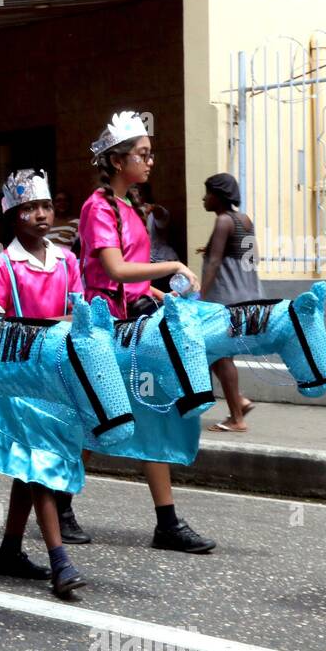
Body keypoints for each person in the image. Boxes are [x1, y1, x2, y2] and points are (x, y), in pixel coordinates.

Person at [75, 111, 215, 554]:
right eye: (143, 154)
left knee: (149, 410)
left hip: (132, 322)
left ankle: (167, 521)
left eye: (149, 155)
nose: (150, 162)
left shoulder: (130, 207)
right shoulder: (98, 207)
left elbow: (130, 279)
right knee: (99, 418)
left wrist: (156, 292)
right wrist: (172, 266)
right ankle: (58, 503)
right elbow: (113, 268)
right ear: (118, 161)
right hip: (105, 326)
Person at [0, 169, 87, 598]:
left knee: (30, 465)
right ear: (12, 215)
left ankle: (9, 549)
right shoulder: (1, 263)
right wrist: (49, 324)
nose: (41, 215)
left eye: (45, 206)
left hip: (57, 378)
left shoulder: (67, 260)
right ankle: (60, 560)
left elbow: (80, 314)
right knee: (40, 465)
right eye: (29, 208)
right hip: (19, 378)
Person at [198, 173, 260, 433]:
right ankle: (239, 401)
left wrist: (201, 295)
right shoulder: (244, 219)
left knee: (221, 356)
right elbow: (252, 258)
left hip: (224, 299)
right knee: (214, 352)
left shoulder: (223, 220)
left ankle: (237, 418)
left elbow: (214, 263)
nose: (204, 197)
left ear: (219, 196)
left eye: (208, 192)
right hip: (245, 295)